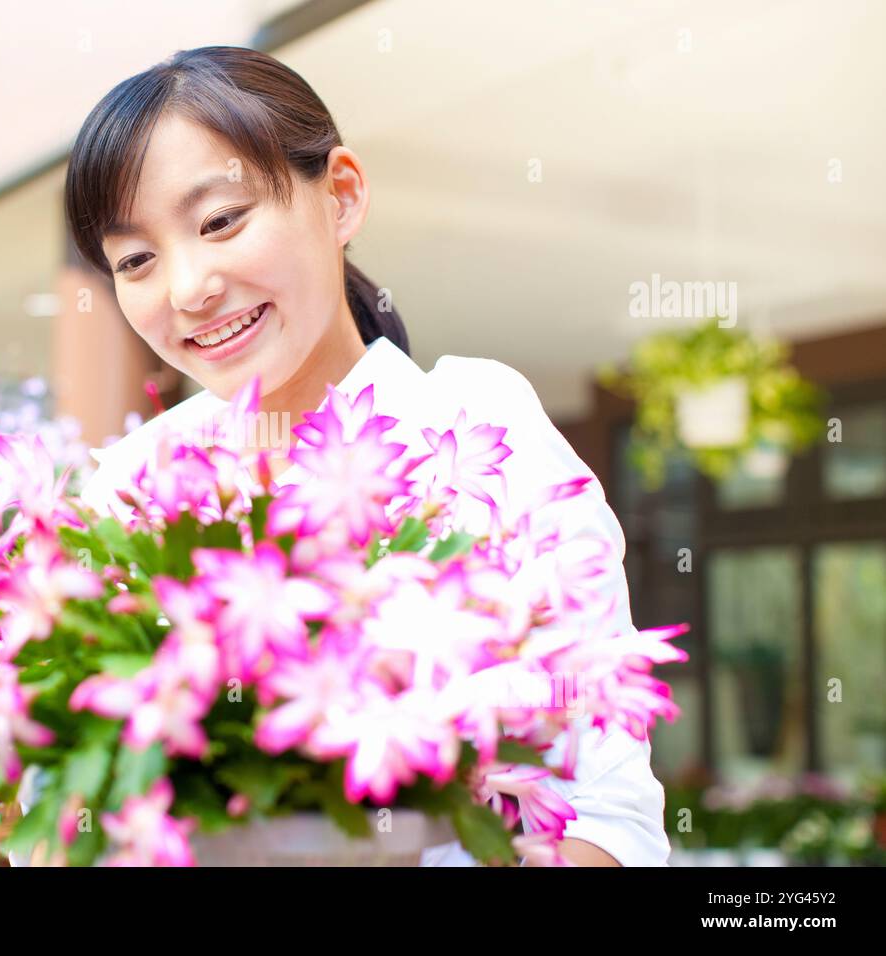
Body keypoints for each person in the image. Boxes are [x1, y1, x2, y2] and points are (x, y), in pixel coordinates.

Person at [62, 45, 673, 866]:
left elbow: (608, 821)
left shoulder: (476, 426)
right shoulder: (129, 486)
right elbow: (72, 816)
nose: (187, 288)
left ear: (341, 196)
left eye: (220, 221)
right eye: (135, 260)